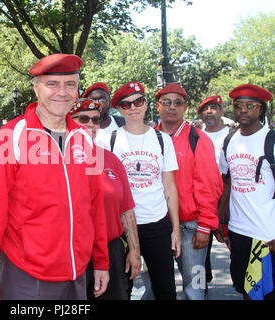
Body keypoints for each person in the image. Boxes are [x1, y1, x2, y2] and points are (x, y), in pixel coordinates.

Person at [0, 53, 110, 300]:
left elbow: (95, 204)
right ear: (36, 88)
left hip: (78, 273)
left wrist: (101, 260)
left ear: (78, 91)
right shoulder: (9, 136)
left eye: (70, 84)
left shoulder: (86, 138)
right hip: (29, 276)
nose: (62, 92)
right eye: (52, 84)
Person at [96, 82, 181, 300]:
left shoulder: (163, 140)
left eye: (138, 101)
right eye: (126, 104)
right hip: (122, 227)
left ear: (146, 104)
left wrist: (176, 229)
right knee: (122, 289)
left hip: (156, 223)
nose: (133, 107)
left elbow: (169, 186)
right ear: (120, 109)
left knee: (165, 289)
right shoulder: (108, 140)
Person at [154, 83, 222, 300]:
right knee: (154, 288)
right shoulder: (148, 137)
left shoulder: (199, 139)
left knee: (196, 287)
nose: (172, 107)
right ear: (157, 106)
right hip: (156, 226)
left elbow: (210, 184)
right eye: (166, 102)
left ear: (185, 108)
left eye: (178, 103)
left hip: (191, 227)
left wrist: (205, 226)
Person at [69, 98, 141, 300]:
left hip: (111, 250)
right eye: (83, 119)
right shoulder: (56, 160)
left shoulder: (111, 159)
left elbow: (126, 209)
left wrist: (134, 250)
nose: (91, 125)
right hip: (73, 251)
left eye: (96, 120)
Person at [215, 84, 275, 300]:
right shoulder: (229, 140)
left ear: (261, 109)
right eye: (238, 105)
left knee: (267, 293)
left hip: (267, 235)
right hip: (239, 231)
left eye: (250, 105)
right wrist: (219, 220)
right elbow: (227, 182)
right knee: (245, 289)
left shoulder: (271, 140)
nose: (243, 110)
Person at [198, 95, 231, 286]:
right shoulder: (196, 135)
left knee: (231, 241)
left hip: (227, 197)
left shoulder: (232, 136)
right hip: (204, 197)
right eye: (205, 109)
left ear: (222, 111)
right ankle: (203, 285)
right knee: (202, 247)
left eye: (214, 107)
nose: (209, 112)